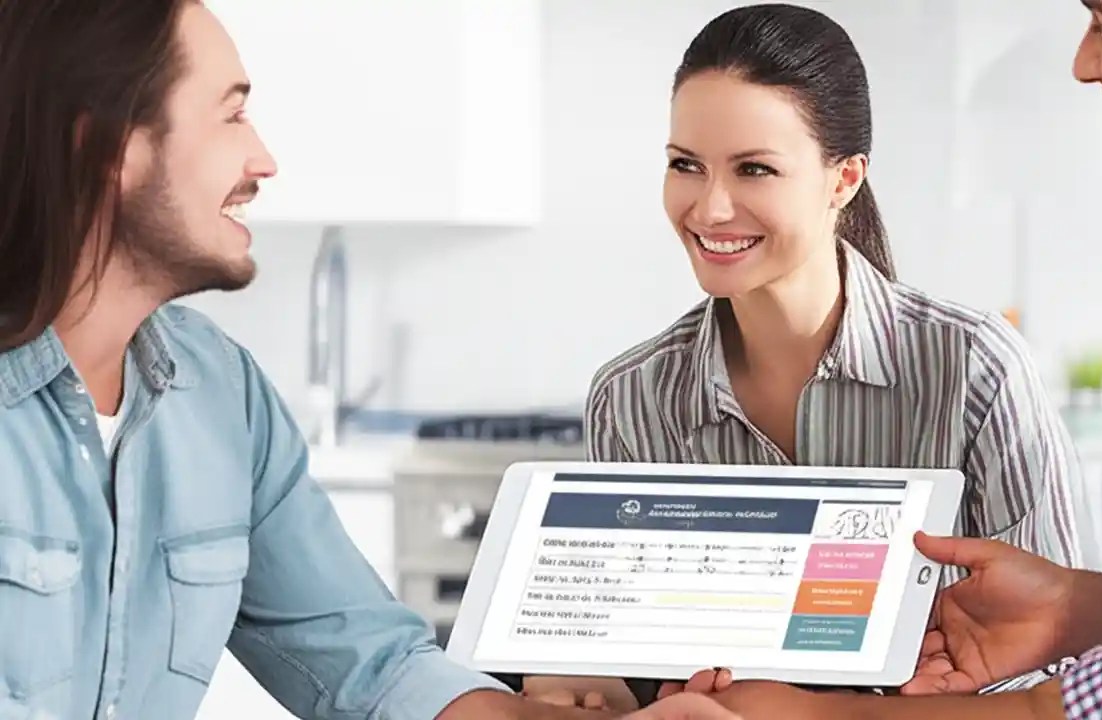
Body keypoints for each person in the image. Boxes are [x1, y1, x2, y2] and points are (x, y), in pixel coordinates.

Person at [0, 3, 637, 719]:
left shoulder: (219, 395)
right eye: (231, 116)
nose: (263, 159)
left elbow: (371, 665)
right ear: (107, 148)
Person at [658, 0, 1102, 717]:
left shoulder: (974, 364)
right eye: (685, 165)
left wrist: (816, 713)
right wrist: (1072, 607)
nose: (1082, 64)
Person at [526, 2, 1091, 709]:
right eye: (686, 165)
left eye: (755, 169)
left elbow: (1060, 657)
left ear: (844, 179)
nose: (710, 207)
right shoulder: (633, 397)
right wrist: (588, 681)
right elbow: (639, 662)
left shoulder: (973, 368)